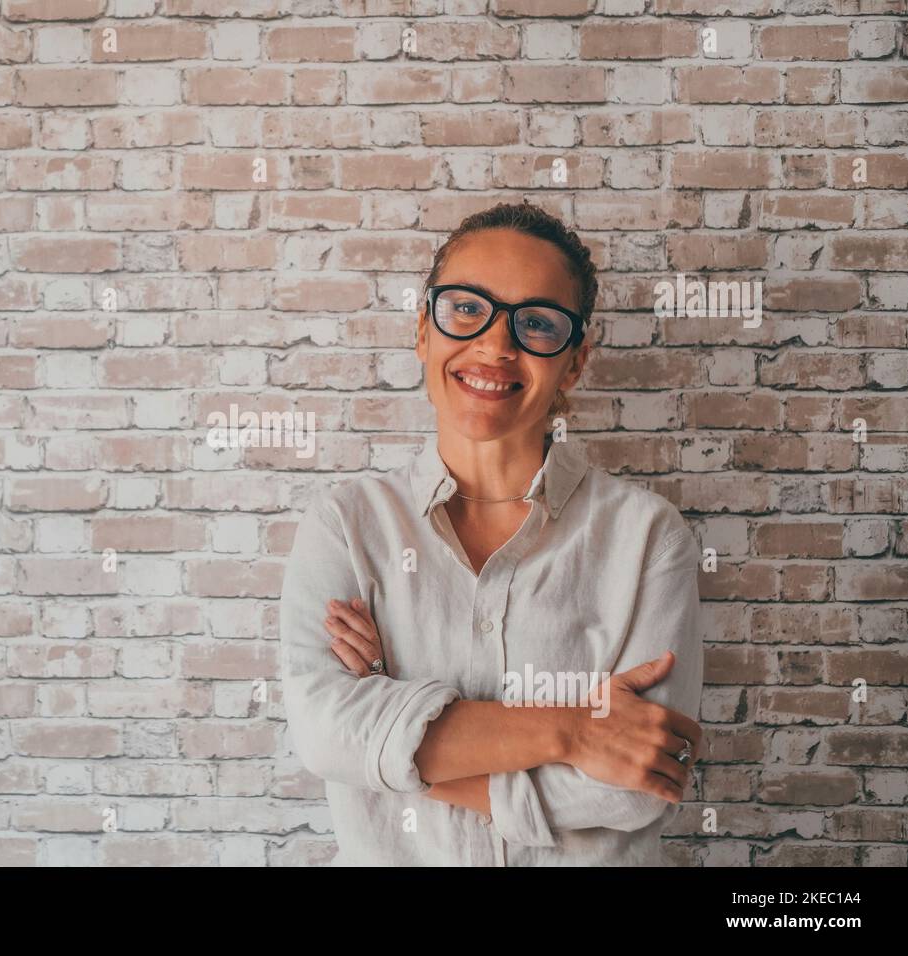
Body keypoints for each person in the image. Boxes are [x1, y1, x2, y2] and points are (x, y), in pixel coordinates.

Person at [278, 202, 704, 866]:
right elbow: (322, 734)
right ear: (423, 329)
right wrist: (573, 731)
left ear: (575, 359)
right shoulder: (346, 525)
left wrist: (393, 723)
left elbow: (637, 787)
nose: (496, 345)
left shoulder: (648, 538)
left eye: (536, 322)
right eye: (467, 309)